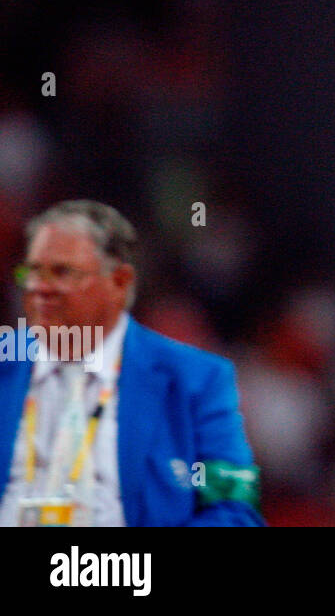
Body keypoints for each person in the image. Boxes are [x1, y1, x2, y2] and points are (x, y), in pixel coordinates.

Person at [0, 200, 263, 526]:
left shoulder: (199, 380)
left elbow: (236, 513)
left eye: (63, 273)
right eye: (33, 272)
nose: (41, 290)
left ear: (119, 283)